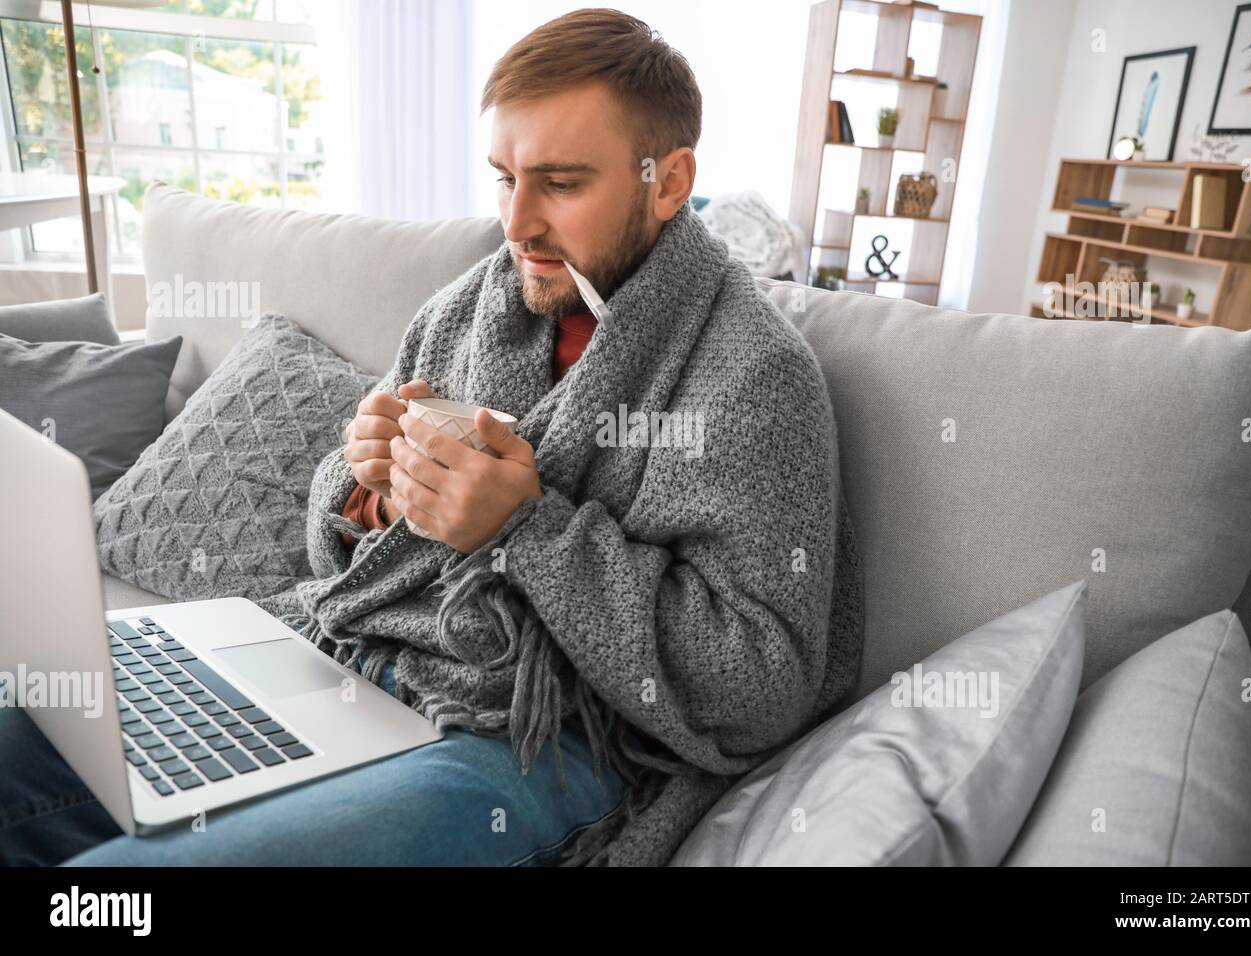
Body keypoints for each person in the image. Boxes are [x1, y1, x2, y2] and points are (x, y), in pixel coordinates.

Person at [0, 8, 863, 867]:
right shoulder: (471, 306)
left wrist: (525, 529)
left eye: (561, 184)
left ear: (669, 183)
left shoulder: (755, 379)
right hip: (338, 650)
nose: (516, 223)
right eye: (502, 177)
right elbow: (336, 548)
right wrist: (362, 486)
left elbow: (760, 688)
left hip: (537, 736)